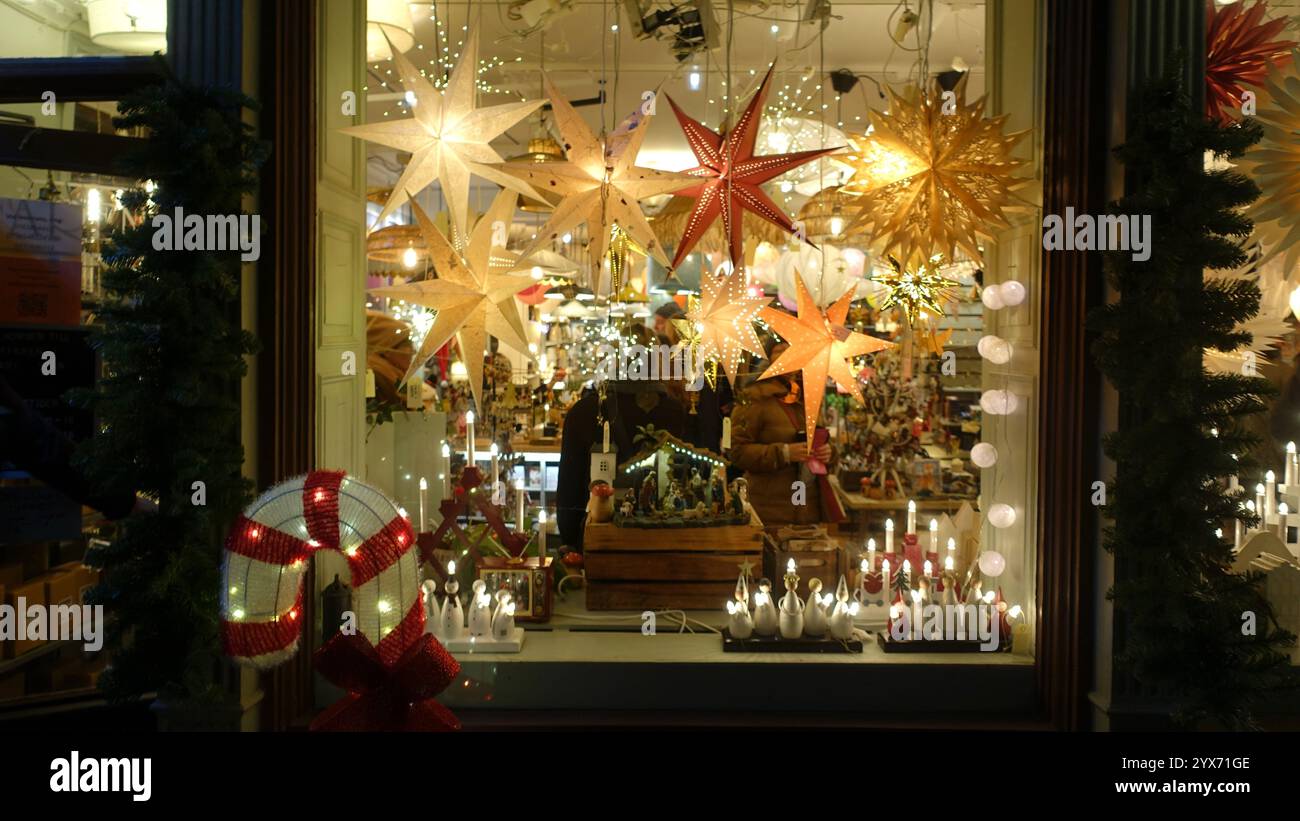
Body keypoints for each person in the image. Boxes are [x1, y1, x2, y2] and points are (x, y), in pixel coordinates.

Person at [556, 326, 688, 552]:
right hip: (666, 543)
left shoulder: (584, 412)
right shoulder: (678, 412)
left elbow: (569, 492)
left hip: (600, 545)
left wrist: (573, 540)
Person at [728, 341, 838, 527]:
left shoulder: (808, 396)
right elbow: (737, 451)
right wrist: (784, 453)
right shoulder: (755, 396)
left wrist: (829, 453)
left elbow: (821, 438)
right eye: (780, 351)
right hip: (769, 510)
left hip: (807, 507)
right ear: (768, 359)